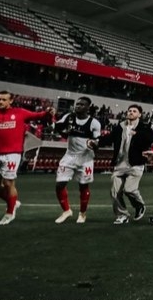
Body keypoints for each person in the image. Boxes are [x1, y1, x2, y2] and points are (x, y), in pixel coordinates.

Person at [0, 90, 55, 224]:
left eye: (4, 99)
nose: (0, 102)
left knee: (8, 183)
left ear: (11, 101)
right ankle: (13, 202)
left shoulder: (20, 113)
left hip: (12, 154)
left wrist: (48, 112)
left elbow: (39, 115)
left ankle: (9, 213)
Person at [92, 105, 153, 224]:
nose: (131, 112)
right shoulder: (120, 127)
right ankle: (122, 215)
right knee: (115, 191)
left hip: (135, 164)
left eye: (134, 111)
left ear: (139, 115)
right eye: (129, 110)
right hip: (120, 164)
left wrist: (137, 134)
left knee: (129, 190)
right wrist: (96, 142)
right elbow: (109, 138)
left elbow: (151, 138)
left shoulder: (144, 127)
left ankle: (139, 205)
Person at [53, 96, 101, 224]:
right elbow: (58, 127)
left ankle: (82, 213)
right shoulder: (69, 117)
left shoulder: (94, 123)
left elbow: (98, 142)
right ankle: (66, 211)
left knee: (83, 186)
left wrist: (93, 144)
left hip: (86, 158)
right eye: (77, 104)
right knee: (59, 184)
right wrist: (62, 130)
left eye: (81, 104)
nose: (78, 106)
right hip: (69, 155)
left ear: (88, 108)